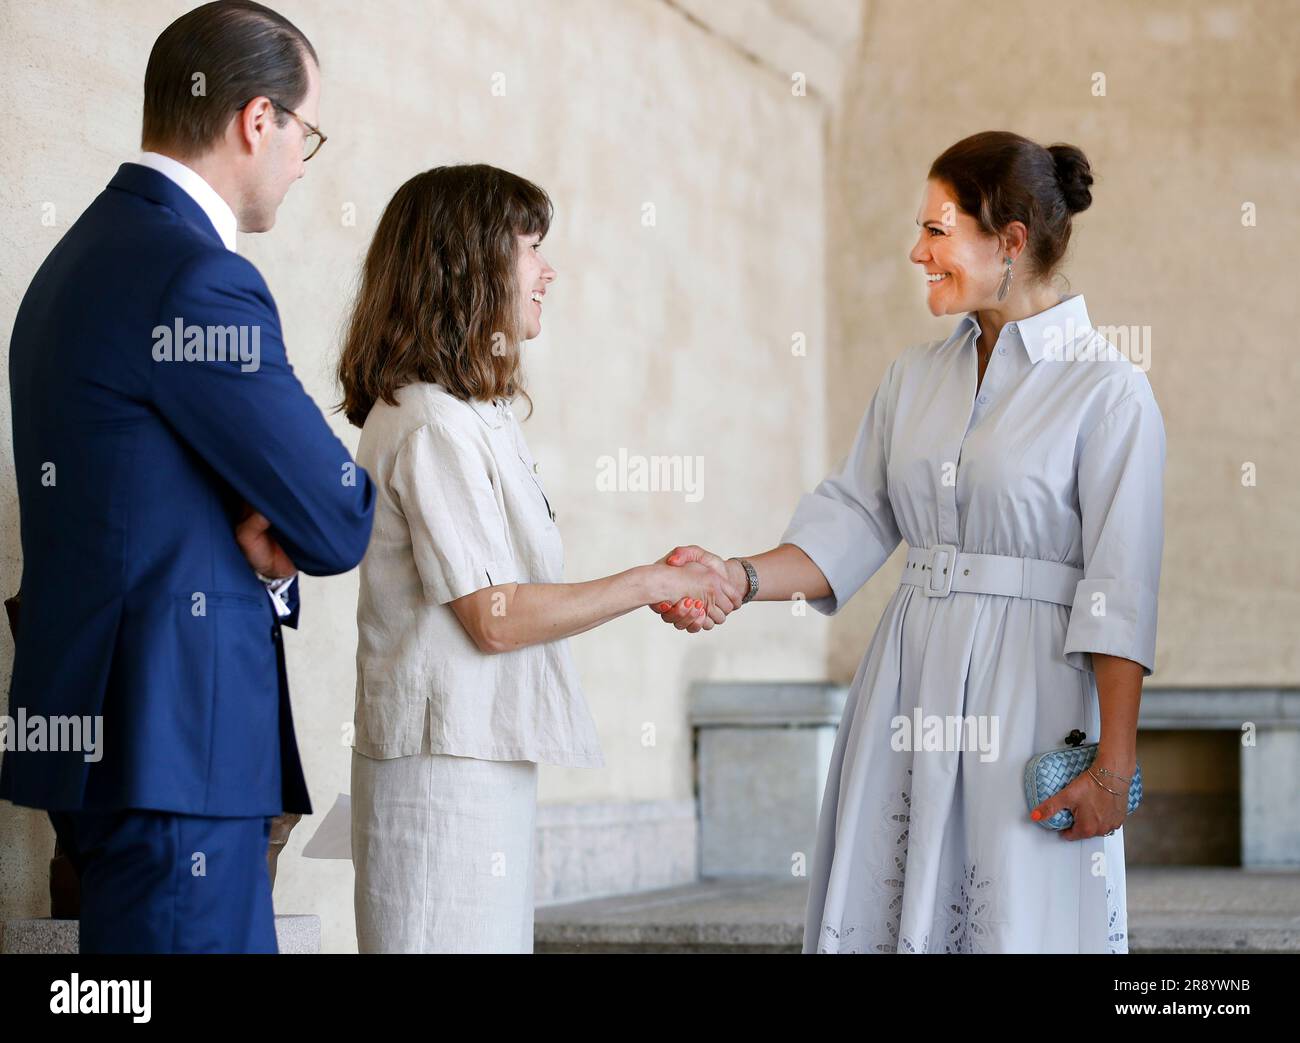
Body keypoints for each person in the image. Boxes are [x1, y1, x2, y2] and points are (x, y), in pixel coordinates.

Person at [656, 131, 1164, 953]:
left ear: (1010, 241)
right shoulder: (913, 377)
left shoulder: (1109, 391)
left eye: (937, 230)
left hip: (1029, 691)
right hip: (906, 681)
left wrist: (1112, 768)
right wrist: (735, 575)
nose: (916, 251)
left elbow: (1122, 591)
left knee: (1010, 917)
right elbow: (852, 520)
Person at [1, 1, 375, 953]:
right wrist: (274, 532)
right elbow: (337, 517)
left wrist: (247, 523)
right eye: (307, 132)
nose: (301, 160)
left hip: (110, 751)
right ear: (259, 119)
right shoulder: (194, 276)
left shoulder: (70, 265)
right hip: (178, 758)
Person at [336, 164, 733, 953]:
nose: (547, 268)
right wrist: (653, 580)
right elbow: (496, 616)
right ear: (469, 262)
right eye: (530, 246)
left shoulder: (469, 416)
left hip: (479, 759)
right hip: (442, 775)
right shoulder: (428, 425)